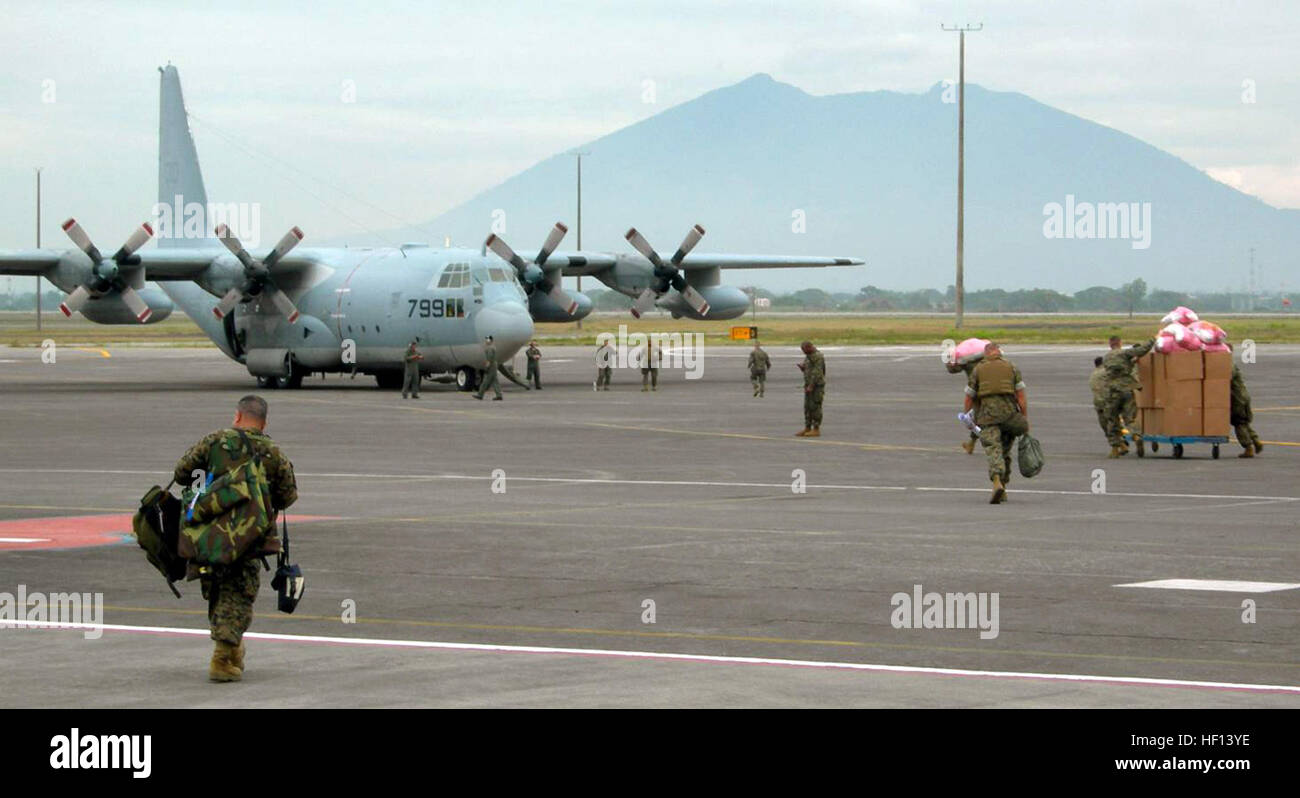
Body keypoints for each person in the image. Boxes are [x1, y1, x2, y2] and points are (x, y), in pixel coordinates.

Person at [173, 395, 297, 682]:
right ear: (264, 422)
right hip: (249, 538)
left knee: (218, 589)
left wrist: (212, 484)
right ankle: (221, 658)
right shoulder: (272, 452)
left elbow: (181, 473)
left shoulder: (215, 441)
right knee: (239, 592)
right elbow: (288, 496)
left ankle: (233, 649)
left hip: (210, 536)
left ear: (237, 416)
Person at [964, 342, 1027, 504]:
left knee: (994, 449)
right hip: (1010, 415)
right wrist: (1024, 417)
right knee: (1005, 450)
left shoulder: (978, 369)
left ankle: (997, 481)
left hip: (988, 416)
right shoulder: (1012, 367)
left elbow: (969, 396)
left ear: (986, 354)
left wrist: (967, 415)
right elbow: (1021, 397)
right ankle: (1004, 488)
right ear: (999, 352)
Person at [1101, 336, 1155, 458]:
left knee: (1112, 420)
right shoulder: (1125, 353)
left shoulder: (1107, 358)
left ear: (1110, 345)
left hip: (1112, 392)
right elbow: (1142, 350)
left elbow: (1116, 369)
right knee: (1130, 418)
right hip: (1126, 390)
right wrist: (1152, 339)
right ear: (1120, 343)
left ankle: (1115, 449)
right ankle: (1136, 436)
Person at [947, 356, 983, 454]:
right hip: (990, 390)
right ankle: (971, 443)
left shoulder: (967, 359)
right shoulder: (986, 358)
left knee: (978, 418)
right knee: (980, 417)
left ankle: (972, 443)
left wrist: (949, 361)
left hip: (975, 391)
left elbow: (953, 369)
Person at [1230, 357, 1263, 458]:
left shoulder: (1229, 365)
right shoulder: (1231, 364)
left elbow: (1226, 377)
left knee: (1238, 422)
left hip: (1238, 398)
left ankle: (1248, 447)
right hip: (1242, 396)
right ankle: (1256, 441)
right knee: (1244, 422)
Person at [795, 340, 825, 437]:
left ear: (809, 347)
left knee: (815, 407)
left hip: (816, 387)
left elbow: (817, 373)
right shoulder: (808, 357)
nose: (803, 352)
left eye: (804, 350)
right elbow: (808, 370)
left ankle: (816, 429)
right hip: (808, 385)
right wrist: (803, 368)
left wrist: (811, 386)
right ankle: (807, 427)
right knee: (807, 407)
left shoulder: (818, 356)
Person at [474, 335, 503, 400]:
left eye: (487, 339)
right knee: (495, 381)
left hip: (491, 366)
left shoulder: (490, 348)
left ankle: (480, 395)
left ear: (490, 340)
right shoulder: (493, 347)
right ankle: (499, 395)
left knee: (485, 381)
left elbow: (489, 359)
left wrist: (486, 368)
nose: (486, 340)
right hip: (494, 365)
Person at [1089, 356, 1109, 439]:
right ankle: (1119, 440)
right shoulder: (1106, 372)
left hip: (1097, 402)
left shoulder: (1092, 375)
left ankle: (1119, 444)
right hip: (1107, 401)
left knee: (1104, 424)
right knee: (1114, 422)